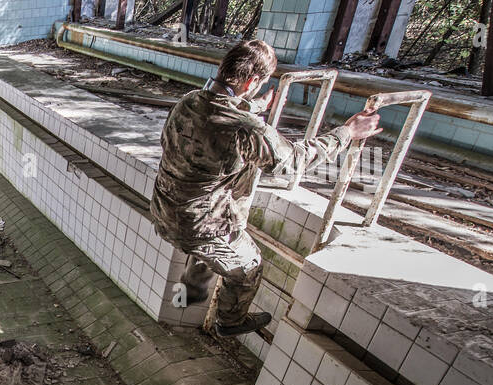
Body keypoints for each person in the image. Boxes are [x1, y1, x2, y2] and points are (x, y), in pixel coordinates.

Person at [151, 38, 382, 337]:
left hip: (164, 211)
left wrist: (257, 105)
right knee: (248, 267)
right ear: (251, 82)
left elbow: (221, 109)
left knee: (209, 257)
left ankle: (186, 298)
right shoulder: (246, 128)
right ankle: (229, 323)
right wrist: (347, 132)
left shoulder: (190, 101)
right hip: (202, 225)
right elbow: (293, 161)